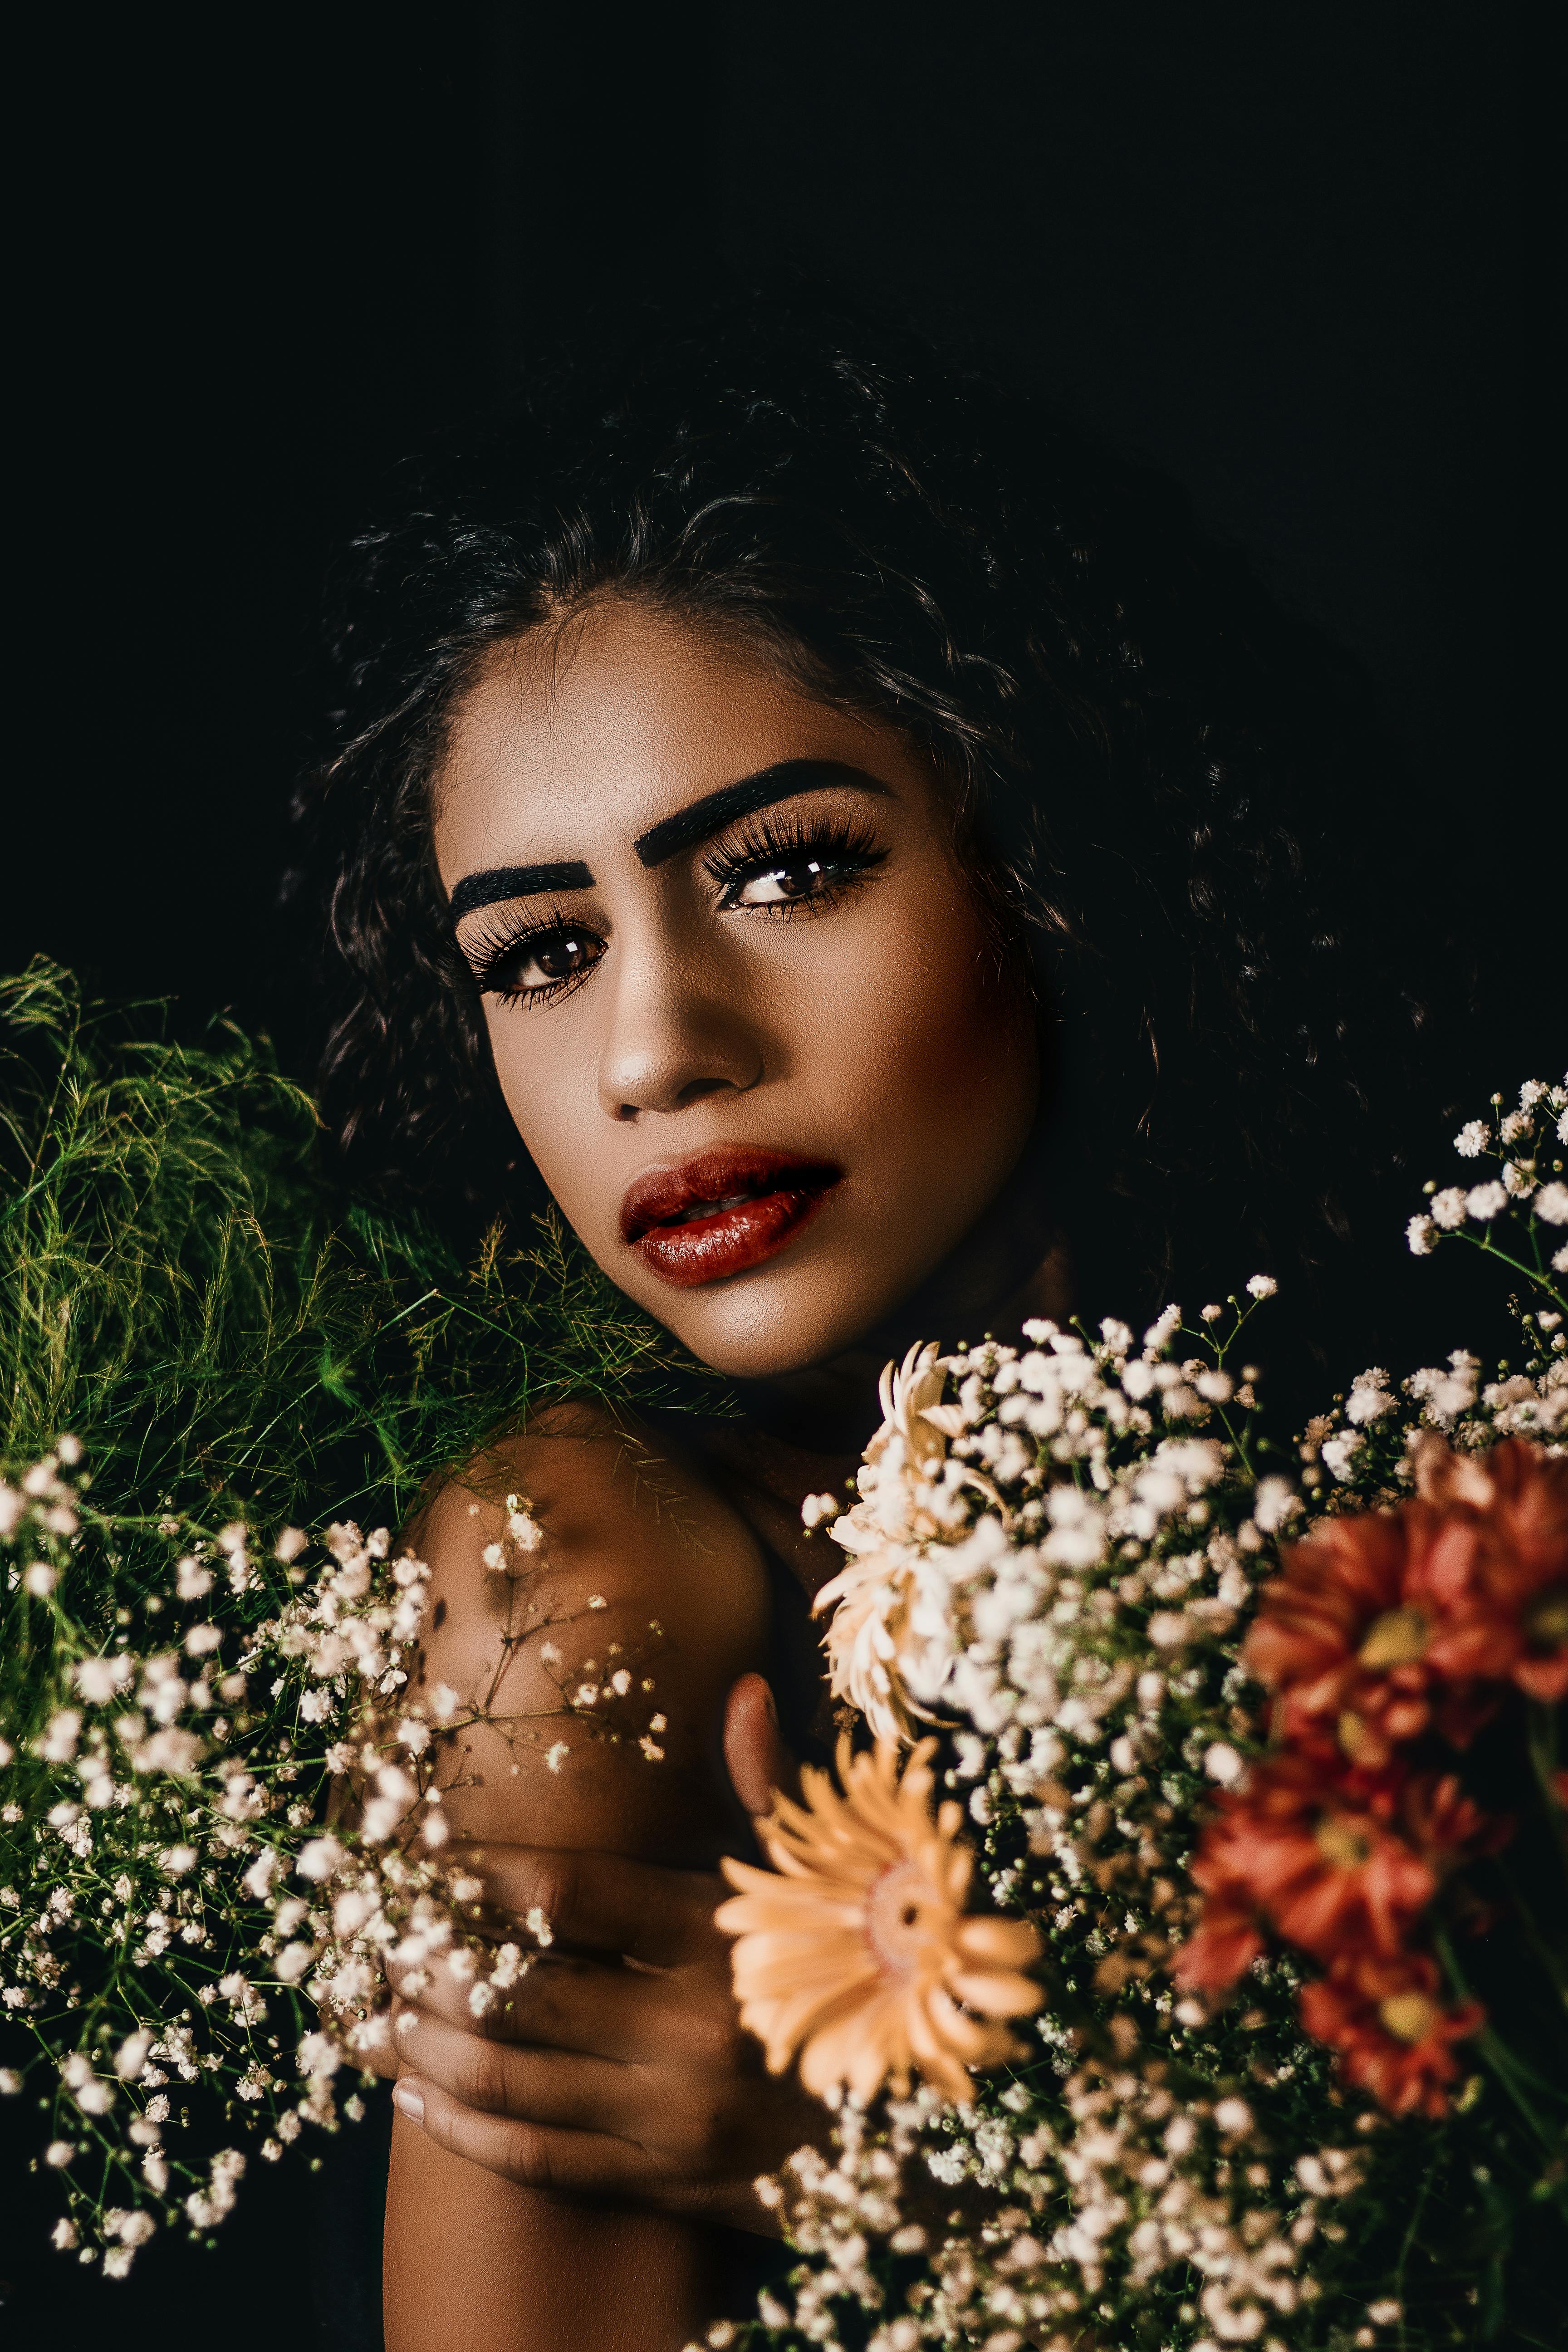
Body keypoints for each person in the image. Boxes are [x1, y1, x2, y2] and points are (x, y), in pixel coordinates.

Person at [286, 295, 1458, 2349]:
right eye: (542, 953)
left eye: (787, 871)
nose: (656, 1048)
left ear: (1052, 863)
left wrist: (942, 2175)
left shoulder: (1437, 1509)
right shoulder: (589, 1588)